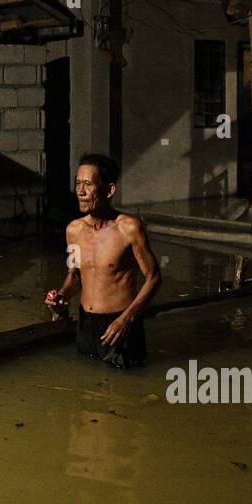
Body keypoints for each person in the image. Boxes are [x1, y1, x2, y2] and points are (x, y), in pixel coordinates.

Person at [46, 154, 161, 368]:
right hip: (86, 325)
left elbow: (154, 278)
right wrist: (62, 295)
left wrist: (126, 320)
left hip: (120, 325)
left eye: (88, 185)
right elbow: (75, 275)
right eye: (78, 184)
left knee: (126, 393)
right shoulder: (73, 230)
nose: (80, 192)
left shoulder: (129, 228)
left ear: (109, 190)